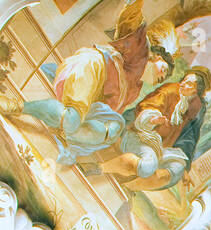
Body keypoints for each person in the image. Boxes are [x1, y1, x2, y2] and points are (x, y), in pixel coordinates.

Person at [0, 1, 177, 163]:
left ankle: (67, 132)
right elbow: (131, 17)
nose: (162, 76)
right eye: (164, 68)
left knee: (112, 128)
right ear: (158, 55)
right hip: (93, 67)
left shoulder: (134, 89)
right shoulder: (140, 48)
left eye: (164, 78)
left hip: (91, 97)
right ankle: (16, 106)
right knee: (72, 118)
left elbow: (111, 111)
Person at [100, 66, 211, 190]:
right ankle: (100, 168)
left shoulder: (197, 107)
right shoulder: (170, 90)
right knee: (147, 165)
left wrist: (185, 167)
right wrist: (154, 119)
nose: (183, 84)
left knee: (177, 169)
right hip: (141, 133)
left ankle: (128, 187)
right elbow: (147, 107)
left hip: (162, 147)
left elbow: (189, 137)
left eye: (189, 84)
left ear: (197, 90)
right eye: (184, 80)